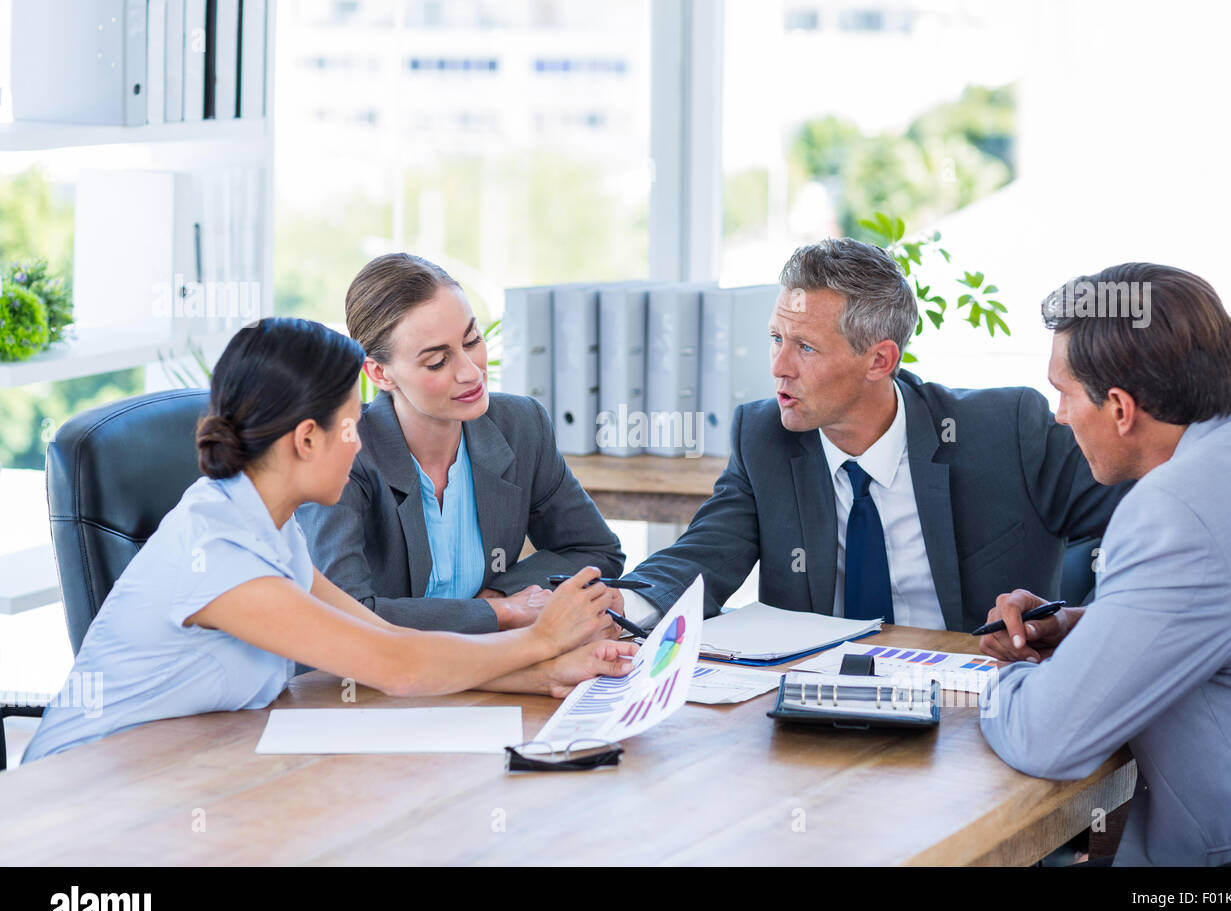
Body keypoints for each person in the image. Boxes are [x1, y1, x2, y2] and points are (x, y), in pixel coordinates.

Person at [23, 318, 633, 763]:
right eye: (350, 426)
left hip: (177, 773)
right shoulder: (220, 555)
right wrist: (539, 638)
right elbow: (400, 668)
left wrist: (548, 673)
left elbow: (389, 641)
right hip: (79, 798)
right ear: (306, 439)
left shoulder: (270, 527)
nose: (362, 443)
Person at [621, 237, 1129, 632]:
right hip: (814, 716)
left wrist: (1079, 625)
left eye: (805, 348)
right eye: (776, 339)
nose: (778, 366)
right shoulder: (763, 436)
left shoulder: (1006, 429)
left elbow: (1147, 514)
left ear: (879, 360)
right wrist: (617, 603)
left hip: (967, 709)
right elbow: (701, 557)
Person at [976, 262, 1231, 866]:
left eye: (1064, 393)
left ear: (1121, 408)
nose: (1058, 416)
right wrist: (1082, 626)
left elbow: (1047, 738)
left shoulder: (1176, 509)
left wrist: (988, 681)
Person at [297, 254, 625, 636]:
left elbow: (596, 551)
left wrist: (500, 593)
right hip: (365, 685)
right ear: (380, 373)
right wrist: (497, 614)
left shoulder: (522, 425)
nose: (471, 372)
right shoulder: (345, 454)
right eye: (438, 361)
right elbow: (343, 615)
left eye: (472, 340)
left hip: (488, 670)